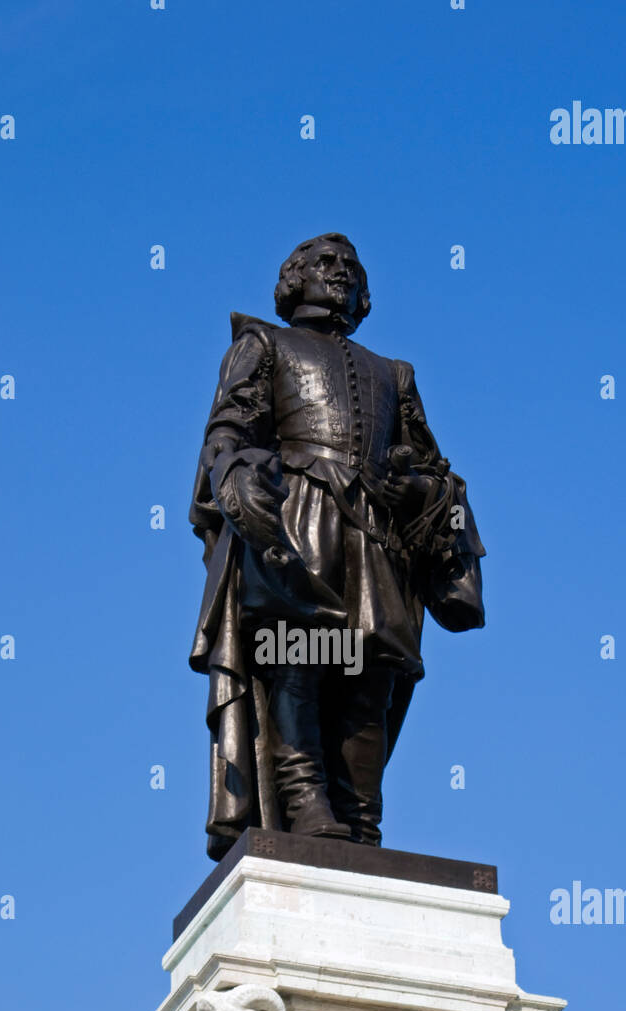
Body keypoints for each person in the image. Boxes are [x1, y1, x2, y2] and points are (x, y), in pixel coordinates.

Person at [189, 233, 485, 862]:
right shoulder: (262, 344)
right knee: (296, 659)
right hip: (297, 523)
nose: (341, 274)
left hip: (373, 537)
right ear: (293, 276)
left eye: (352, 267)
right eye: (325, 263)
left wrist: (416, 490)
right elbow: (228, 430)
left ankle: (361, 816)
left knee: (367, 676)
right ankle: (306, 801)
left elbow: (429, 464)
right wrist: (237, 475)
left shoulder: (393, 373)